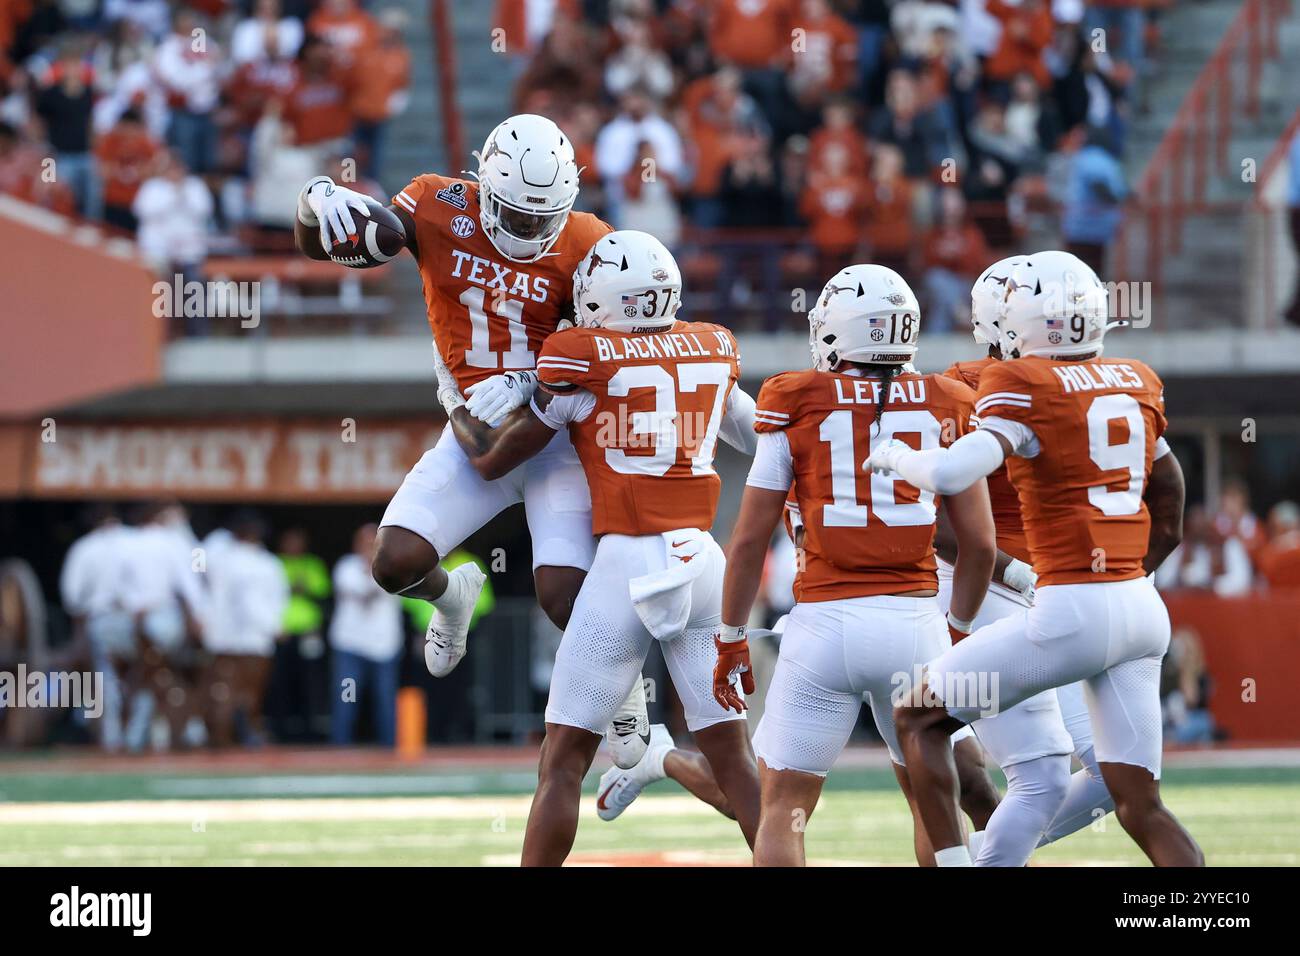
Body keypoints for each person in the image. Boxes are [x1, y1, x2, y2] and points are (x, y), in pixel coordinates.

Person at [294, 113, 650, 766]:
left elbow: (620, 353)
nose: (530, 232)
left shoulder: (590, 242)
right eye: (516, 216)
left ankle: (628, 695)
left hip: (555, 436)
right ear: (484, 189)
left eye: (543, 219)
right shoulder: (435, 204)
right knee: (394, 561)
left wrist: (531, 379)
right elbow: (326, 242)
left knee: (564, 599)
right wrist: (317, 201)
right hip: (472, 430)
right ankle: (451, 598)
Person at [433, 230, 763, 866]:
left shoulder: (578, 355)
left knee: (563, 761)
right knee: (734, 756)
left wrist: (457, 403)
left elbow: (497, 460)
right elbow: (756, 437)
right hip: (701, 561)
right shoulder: (714, 349)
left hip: (629, 562)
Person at [868, 250, 1203, 866]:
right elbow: (1172, 499)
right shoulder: (1134, 378)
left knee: (918, 717)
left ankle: (963, 860)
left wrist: (895, 457)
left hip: (1060, 604)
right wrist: (1127, 573)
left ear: (1004, 320)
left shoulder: (1009, 383)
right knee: (1137, 802)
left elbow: (947, 482)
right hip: (1129, 606)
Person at [708, 264, 996, 866]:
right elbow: (980, 547)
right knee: (929, 802)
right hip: (914, 624)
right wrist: (959, 633)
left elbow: (748, 539)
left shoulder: (794, 397)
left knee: (785, 805)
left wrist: (732, 639)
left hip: (823, 626)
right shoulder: (950, 401)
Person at [934, 256, 1117, 865]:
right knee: (1024, 772)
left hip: (1056, 594)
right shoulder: (959, 389)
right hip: (980, 590)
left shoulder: (1082, 386)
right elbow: (937, 525)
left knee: (1111, 774)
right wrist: (1016, 572)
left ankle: (987, 849)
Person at [201, 510, 288, 748]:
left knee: (222, 690)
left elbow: (195, 560)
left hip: (221, 637)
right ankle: (242, 737)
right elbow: (251, 603)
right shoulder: (266, 564)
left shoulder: (220, 557)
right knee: (250, 694)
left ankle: (221, 739)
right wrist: (273, 627)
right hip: (254, 639)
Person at [329, 523, 404, 745]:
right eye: (365, 543)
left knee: (385, 700)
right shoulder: (346, 567)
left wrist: (377, 564)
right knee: (346, 699)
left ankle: (391, 754)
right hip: (350, 645)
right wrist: (371, 568)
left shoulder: (395, 566)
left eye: (374, 543)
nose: (369, 547)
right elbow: (364, 593)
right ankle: (340, 751)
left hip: (385, 645)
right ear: (356, 544)